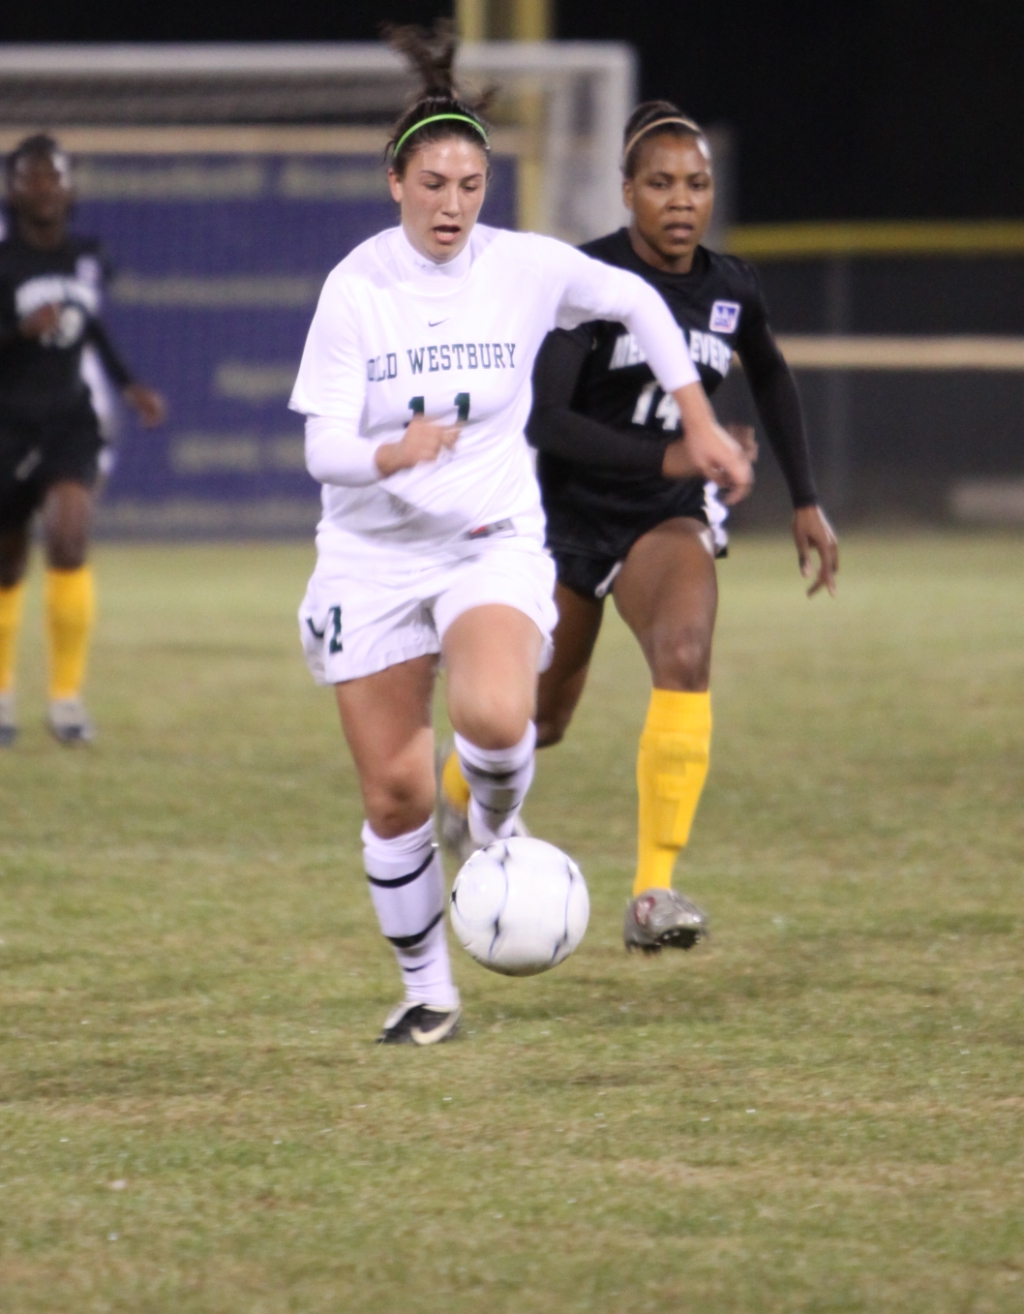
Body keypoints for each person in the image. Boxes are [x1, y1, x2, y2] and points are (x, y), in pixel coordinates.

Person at [289, 27, 753, 1046]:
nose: (451, 204)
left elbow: (636, 299)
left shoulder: (522, 267)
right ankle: (429, 994)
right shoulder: (357, 288)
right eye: (432, 184)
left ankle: (496, 832)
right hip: (371, 556)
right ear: (395, 183)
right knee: (396, 792)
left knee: (500, 721)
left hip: (487, 541)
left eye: (470, 184)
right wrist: (391, 454)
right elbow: (322, 445)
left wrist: (699, 417)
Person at [439, 100, 839, 953]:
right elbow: (546, 420)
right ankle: (455, 791)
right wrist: (670, 455)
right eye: (660, 183)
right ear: (627, 192)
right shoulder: (587, 281)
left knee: (685, 655)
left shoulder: (731, 288)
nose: (681, 200)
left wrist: (805, 498)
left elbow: (771, 374)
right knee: (537, 721)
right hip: (562, 520)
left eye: (696, 183)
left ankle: (653, 893)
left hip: (665, 518)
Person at [0, 134, 166, 745]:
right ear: (13, 189)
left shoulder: (87, 257)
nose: (45, 187)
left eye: (56, 176)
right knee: (8, 561)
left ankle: (66, 699)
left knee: (69, 537)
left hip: (69, 419)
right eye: (32, 177)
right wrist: (19, 332)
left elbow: (91, 327)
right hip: (7, 424)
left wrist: (129, 385)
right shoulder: (4, 262)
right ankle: (2, 695)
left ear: (71, 188)